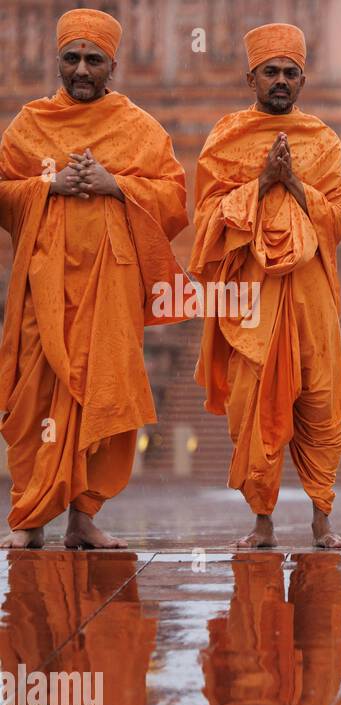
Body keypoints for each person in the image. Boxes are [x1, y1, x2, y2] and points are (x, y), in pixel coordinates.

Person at [0, 8, 189, 549]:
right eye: (72, 58)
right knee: (37, 399)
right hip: (45, 292)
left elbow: (175, 200)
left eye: (94, 60)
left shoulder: (139, 129)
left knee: (104, 395)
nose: (82, 70)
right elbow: (3, 188)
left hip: (111, 294)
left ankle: (84, 519)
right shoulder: (29, 125)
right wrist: (48, 185)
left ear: (114, 65)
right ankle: (29, 520)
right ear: (58, 61)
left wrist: (117, 185)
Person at [192, 23, 341, 549]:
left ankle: (322, 517)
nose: (280, 81)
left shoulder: (323, 141)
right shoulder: (226, 137)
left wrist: (294, 185)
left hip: (310, 297)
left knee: (321, 404)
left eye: (289, 73)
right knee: (253, 405)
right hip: (250, 302)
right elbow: (207, 220)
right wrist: (261, 185)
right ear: (251, 77)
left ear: (302, 79)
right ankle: (261, 522)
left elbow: (337, 221)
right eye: (270, 72)